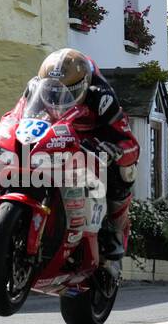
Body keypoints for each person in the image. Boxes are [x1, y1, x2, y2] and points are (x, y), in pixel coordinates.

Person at [30, 48, 139, 276]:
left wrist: (116, 151)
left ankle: (114, 232)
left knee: (125, 172)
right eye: (52, 91)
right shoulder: (36, 88)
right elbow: (16, 116)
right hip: (53, 137)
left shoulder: (102, 97)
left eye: (69, 93)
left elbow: (131, 144)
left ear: (85, 86)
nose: (58, 100)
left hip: (94, 140)